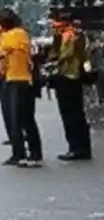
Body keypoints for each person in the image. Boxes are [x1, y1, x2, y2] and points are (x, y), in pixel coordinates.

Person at [0, 9, 42, 168]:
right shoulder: (23, 33)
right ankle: (35, 153)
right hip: (21, 79)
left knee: (15, 120)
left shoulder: (10, 36)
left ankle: (19, 153)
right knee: (27, 119)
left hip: (15, 80)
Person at [49, 19, 93, 161]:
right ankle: (81, 147)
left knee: (71, 114)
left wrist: (52, 59)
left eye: (56, 24)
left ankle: (76, 147)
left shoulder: (70, 36)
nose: (54, 27)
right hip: (72, 77)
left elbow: (63, 55)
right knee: (76, 113)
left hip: (69, 77)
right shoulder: (77, 35)